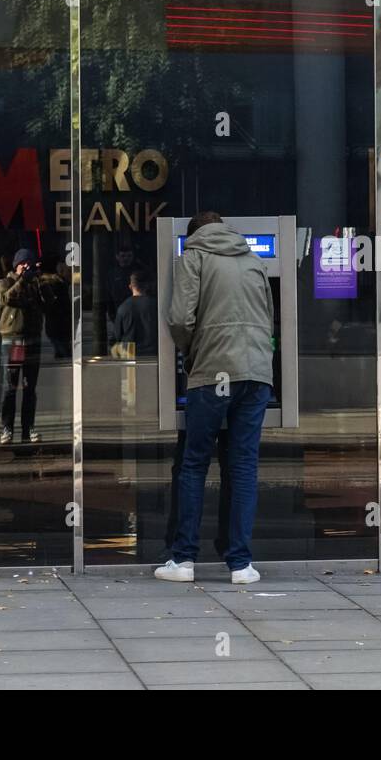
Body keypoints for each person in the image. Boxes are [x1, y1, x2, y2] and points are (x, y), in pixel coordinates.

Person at [155, 212, 274, 585]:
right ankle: (241, 564)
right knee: (242, 466)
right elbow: (269, 318)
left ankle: (184, 560)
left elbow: (179, 319)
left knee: (194, 463)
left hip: (214, 372)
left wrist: (192, 355)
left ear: (195, 234)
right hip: (256, 373)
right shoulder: (253, 259)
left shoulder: (194, 256)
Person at [0, 248, 46, 445]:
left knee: (30, 388)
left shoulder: (34, 283)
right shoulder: (4, 282)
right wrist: (23, 280)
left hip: (32, 341)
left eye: (29, 263)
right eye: (23, 263)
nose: (26, 266)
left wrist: (39, 280)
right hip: (13, 341)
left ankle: (29, 427)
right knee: (10, 387)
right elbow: (6, 298)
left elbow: (49, 302)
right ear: (16, 265)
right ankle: (7, 428)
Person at [114, 270, 159, 358]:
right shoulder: (156, 305)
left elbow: (117, 335)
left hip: (129, 354)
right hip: (153, 355)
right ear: (147, 286)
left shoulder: (123, 307)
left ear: (130, 287)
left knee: (129, 372)